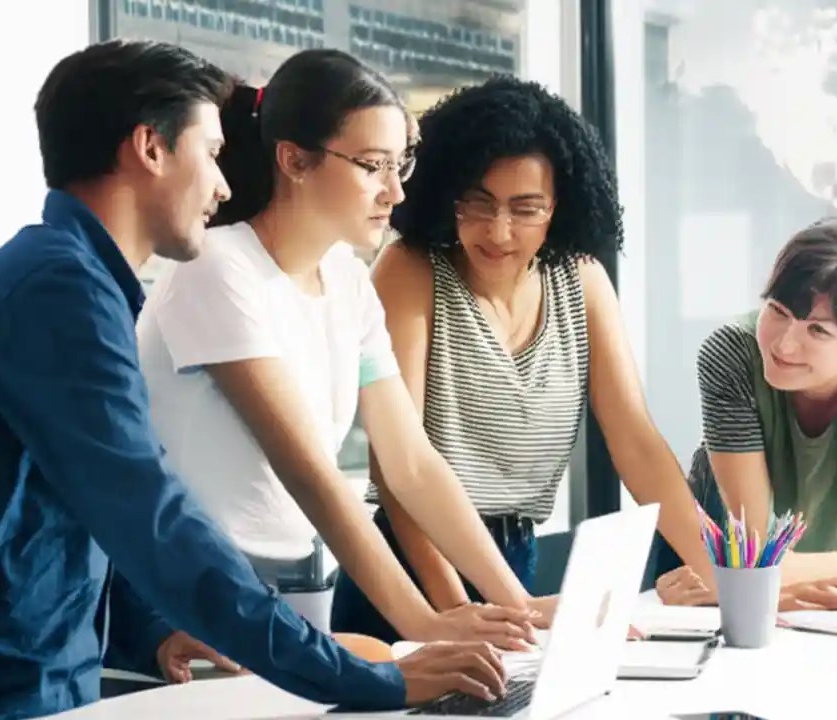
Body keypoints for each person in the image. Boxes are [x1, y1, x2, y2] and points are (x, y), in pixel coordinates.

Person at [0, 39, 505, 719]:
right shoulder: (56, 289)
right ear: (150, 147)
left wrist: (151, 626)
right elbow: (151, 515)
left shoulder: (82, 286)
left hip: (35, 672)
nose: (226, 185)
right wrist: (371, 678)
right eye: (212, 153)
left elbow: (88, 503)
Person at [133, 47, 546, 654]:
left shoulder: (346, 279)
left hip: (289, 584)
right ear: (294, 160)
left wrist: (520, 606)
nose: (396, 192)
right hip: (185, 596)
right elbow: (311, 473)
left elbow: (411, 462)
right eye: (374, 166)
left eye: (400, 165)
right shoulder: (218, 270)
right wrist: (424, 624)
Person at [327, 75, 725, 642]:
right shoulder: (409, 269)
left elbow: (637, 444)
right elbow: (398, 472)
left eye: (526, 208)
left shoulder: (581, 280)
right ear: (448, 193)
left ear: (559, 206)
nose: (499, 230)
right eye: (478, 203)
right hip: (411, 568)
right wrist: (449, 613)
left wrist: (730, 578)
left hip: (514, 555)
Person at [652, 210, 837, 606]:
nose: (783, 345)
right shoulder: (731, 354)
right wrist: (754, 579)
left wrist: (761, 578)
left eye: (818, 330)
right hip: (710, 565)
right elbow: (751, 554)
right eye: (778, 311)